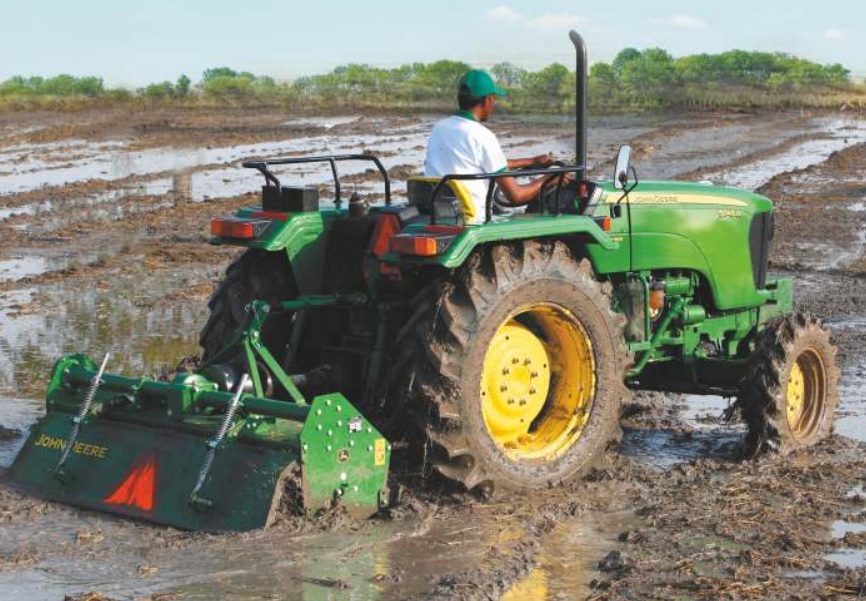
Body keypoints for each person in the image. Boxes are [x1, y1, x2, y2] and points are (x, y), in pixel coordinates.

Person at [424, 69, 567, 224]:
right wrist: (549, 179)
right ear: (488, 100)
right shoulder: (481, 135)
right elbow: (516, 196)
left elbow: (476, 164)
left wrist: (532, 161)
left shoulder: (439, 128)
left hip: (441, 214)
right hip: (474, 219)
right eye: (494, 99)